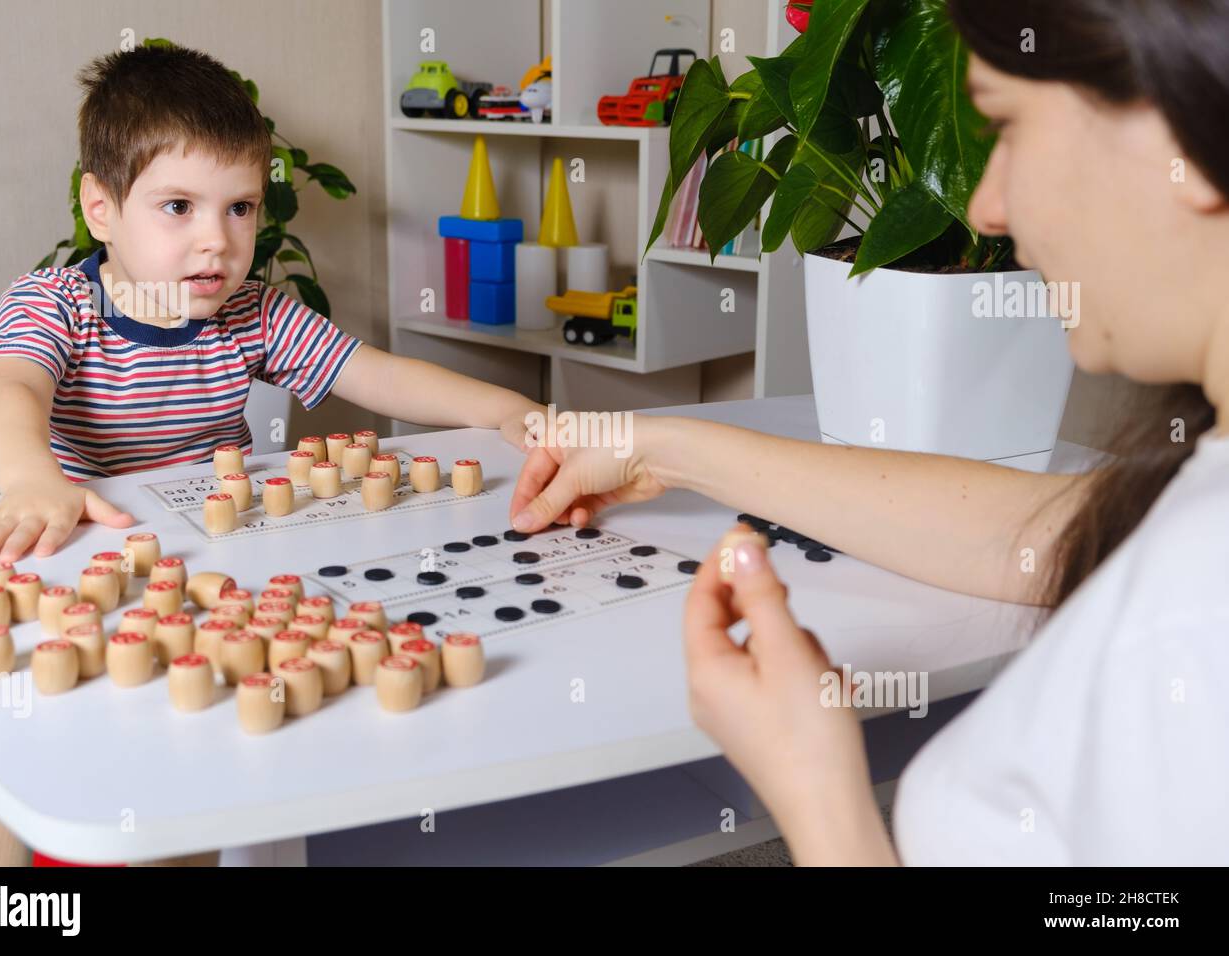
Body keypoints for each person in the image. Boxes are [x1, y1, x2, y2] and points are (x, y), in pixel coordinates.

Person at [509, 0, 1229, 864]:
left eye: (1008, 122)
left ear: (1185, 127)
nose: (987, 205)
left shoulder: (1196, 608)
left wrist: (816, 791)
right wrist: (662, 447)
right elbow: (1048, 532)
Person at [0, 42, 542, 565]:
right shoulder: (54, 305)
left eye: (240, 207)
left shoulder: (252, 312)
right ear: (101, 207)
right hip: (94, 544)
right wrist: (33, 483)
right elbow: (12, 391)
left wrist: (507, 408)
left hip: (226, 545)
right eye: (179, 207)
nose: (218, 239)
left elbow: (380, 376)